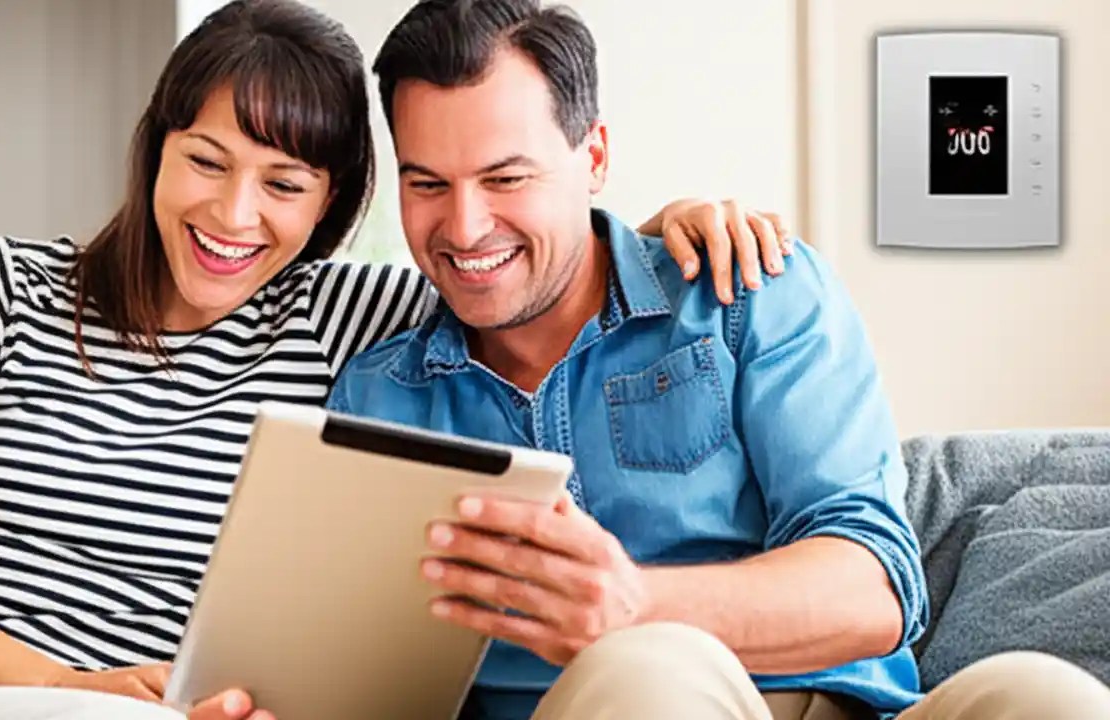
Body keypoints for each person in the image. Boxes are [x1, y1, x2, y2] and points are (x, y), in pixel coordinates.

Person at [0, 1, 790, 718]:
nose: (233, 215)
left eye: (284, 184)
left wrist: (667, 239)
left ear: (328, 208)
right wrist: (66, 689)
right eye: (205, 161)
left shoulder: (351, 320)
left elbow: (527, 267)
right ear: (157, 148)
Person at [325, 1, 1110, 720]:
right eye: (427, 183)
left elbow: (874, 587)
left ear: (593, 156)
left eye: (506, 178)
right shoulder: (378, 399)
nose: (464, 228)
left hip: (839, 708)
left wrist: (633, 604)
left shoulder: (745, 291)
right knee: (649, 676)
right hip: (617, 707)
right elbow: (366, 679)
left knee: (1047, 696)